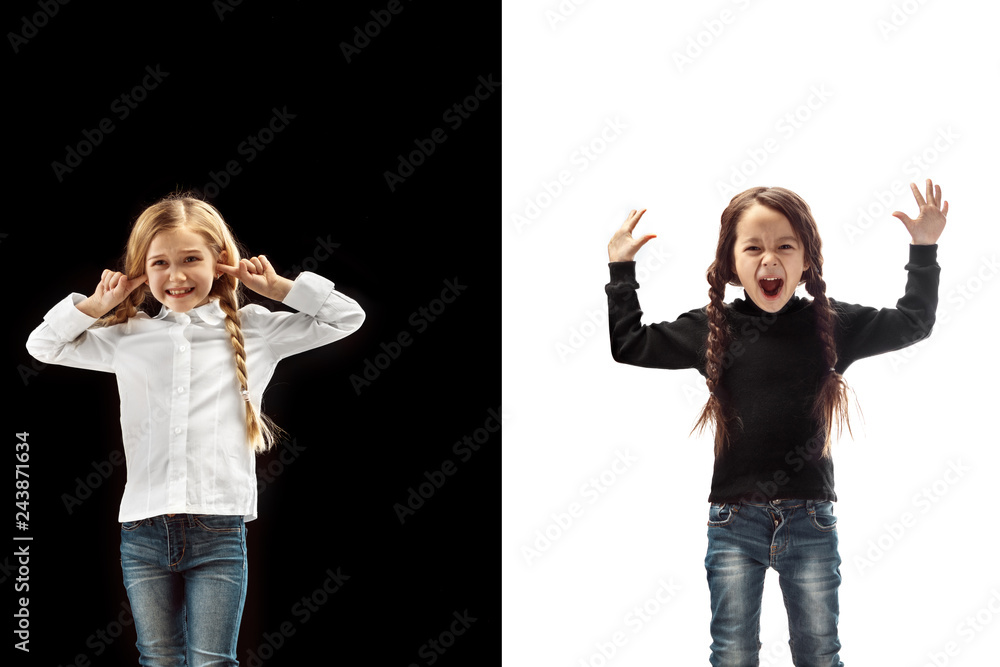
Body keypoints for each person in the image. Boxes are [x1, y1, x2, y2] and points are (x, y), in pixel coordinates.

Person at [605, 180, 947, 666]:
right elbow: (630, 345)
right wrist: (622, 270)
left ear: (806, 260)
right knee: (733, 653)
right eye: (754, 248)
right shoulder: (711, 329)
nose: (770, 260)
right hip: (732, 520)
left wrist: (924, 248)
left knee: (818, 651)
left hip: (810, 519)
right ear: (731, 264)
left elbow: (914, 322)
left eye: (785, 246)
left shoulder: (831, 324)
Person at [26, 193, 365, 666]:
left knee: (213, 661)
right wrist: (98, 303)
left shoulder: (256, 330)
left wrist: (280, 289)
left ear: (220, 262)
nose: (177, 276)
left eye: (191, 259)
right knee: (158, 658)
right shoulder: (128, 337)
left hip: (219, 528)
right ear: (140, 271)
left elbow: (347, 317)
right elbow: (42, 345)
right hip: (142, 530)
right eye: (160, 263)